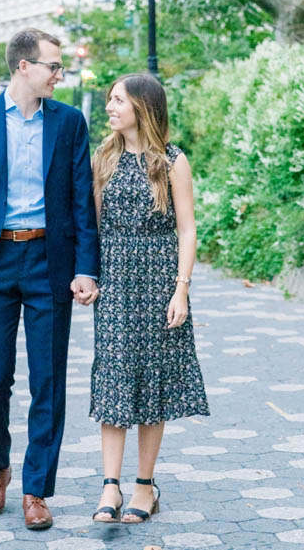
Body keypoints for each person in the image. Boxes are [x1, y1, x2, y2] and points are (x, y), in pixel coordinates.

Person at [0, 27, 100, 532]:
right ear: (23, 66)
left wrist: (85, 266)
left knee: (48, 379)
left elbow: (81, 201)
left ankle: (36, 490)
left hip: (50, 262)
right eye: (54, 66)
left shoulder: (70, 122)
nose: (60, 74)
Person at [88, 72, 209, 524]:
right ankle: (110, 485)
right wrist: (89, 276)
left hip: (160, 282)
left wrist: (182, 289)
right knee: (115, 376)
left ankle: (144, 485)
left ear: (143, 105)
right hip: (117, 283)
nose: (110, 107)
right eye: (109, 100)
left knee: (151, 381)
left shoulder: (171, 161)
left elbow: (187, 228)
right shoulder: (103, 157)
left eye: (118, 100)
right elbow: (93, 226)